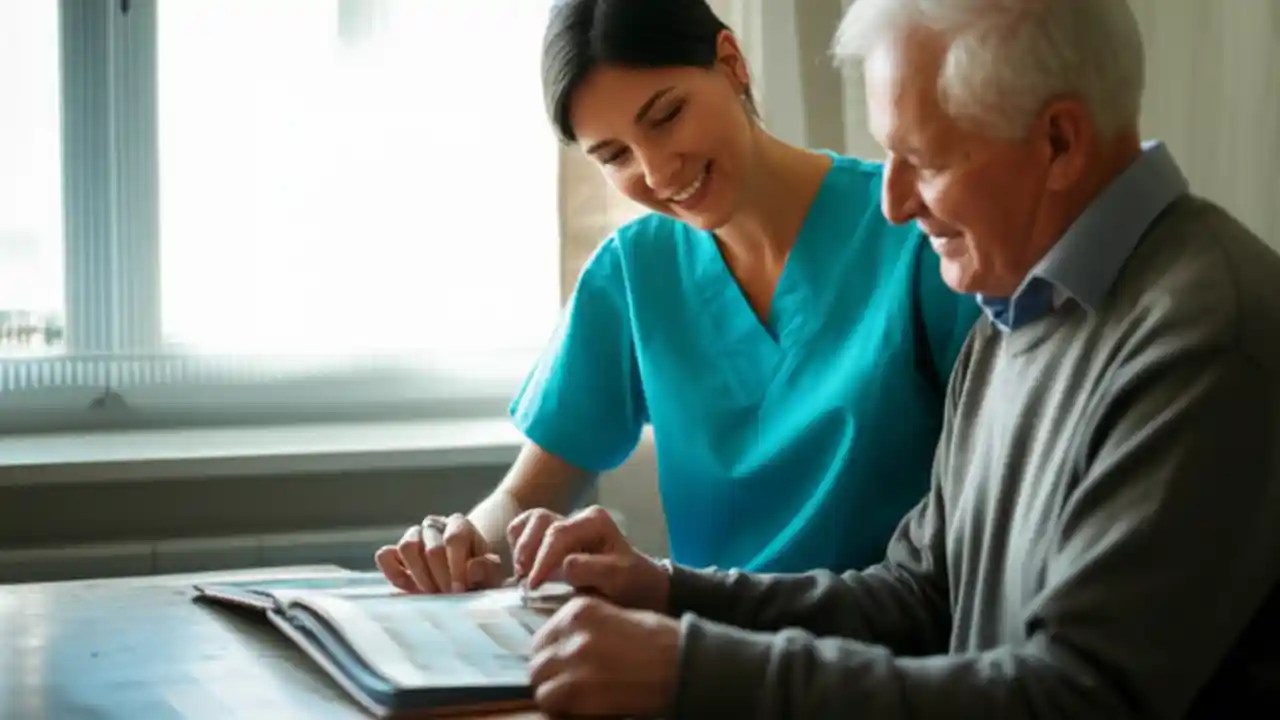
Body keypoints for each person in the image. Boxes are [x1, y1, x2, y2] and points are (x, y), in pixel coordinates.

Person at [511, 0, 1280, 717]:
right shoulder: (1018, 313)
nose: (895, 203)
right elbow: (919, 594)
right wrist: (666, 592)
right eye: (889, 155)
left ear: (1059, 142)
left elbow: (1077, 695)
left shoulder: (1207, 337)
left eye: (925, 160)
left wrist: (693, 671)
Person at [373, 0, 978, 594]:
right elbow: (525, 497)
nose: (658, 173)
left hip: (881, 644)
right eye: (615, 156)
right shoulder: (633, 273)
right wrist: (461, 545)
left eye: (665, 117)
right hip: (696, 649)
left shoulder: (921, 235)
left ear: (732, 63)